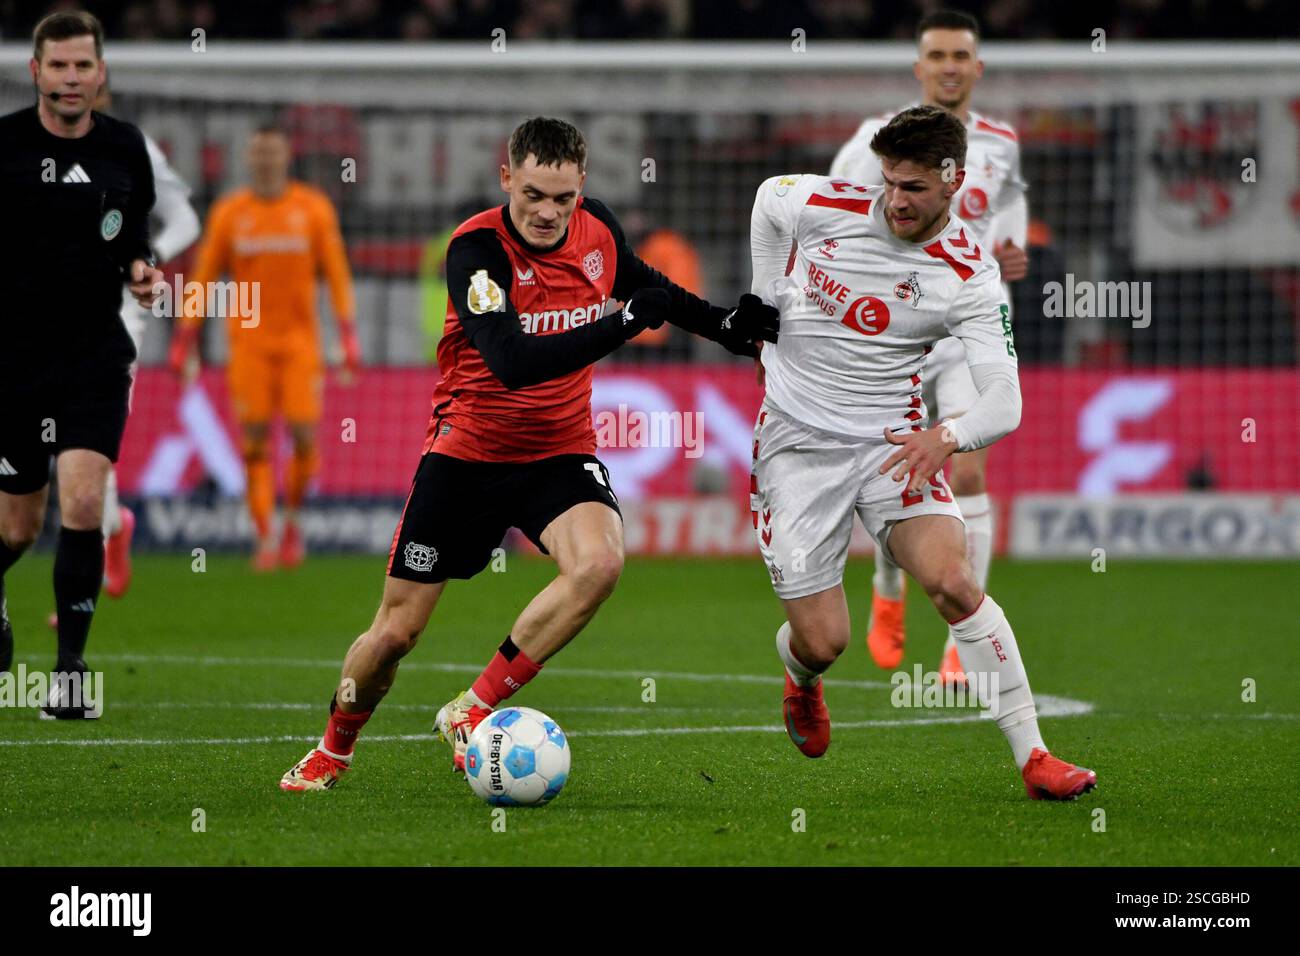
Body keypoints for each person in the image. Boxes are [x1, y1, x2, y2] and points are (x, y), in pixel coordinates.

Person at [279, 116, 778, 790]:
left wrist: (727, 328)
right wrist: (622, 325)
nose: (549, 213)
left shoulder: (595, 232)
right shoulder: (475, 252)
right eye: (535, 195)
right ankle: (334, 745)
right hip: (467, 454)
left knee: (599, 564)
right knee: (395, 634)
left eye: (564, 199)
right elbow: (511, 361)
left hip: (558, 450)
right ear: (506, 176)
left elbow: (647, 284)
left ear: (583, 189)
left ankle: (473, 706)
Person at [750, 106, 1095, 799]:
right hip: (796, 441)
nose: (895, 201)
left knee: (955, 581)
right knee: (824, 642)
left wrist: (947, 436)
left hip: (892, 442)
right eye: (890, 182)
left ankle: (1034, 758)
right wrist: (762, 303)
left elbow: (1005, 400)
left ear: (953, 182)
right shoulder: (822, 202)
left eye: (913, 187)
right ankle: (802, 680)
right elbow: (766, 200)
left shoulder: (969, 273)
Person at [830, 9, 1029, 683]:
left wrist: (1013, 250)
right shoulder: (871, 144)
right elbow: (835, 220)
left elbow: (1009, 221)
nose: (948, 66)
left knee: (967, 466)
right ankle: (888, 591)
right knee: (897, 471)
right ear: (920, 68)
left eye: (959, 55)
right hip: (896, 330)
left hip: (969, 321)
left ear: (977, 67)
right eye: (936, 55)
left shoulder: (1000, 144)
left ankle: (960, 637)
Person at [0, 11, 163, 716]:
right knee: (14, 530)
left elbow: (133, 233)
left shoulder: (125, 147)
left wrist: (141, 270)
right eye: (58, 66)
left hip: (95, 355)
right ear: (35, 71)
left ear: (101, 73)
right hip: (14, 363)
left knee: (87, 503)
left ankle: (69, 675)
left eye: (83, 66)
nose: (71, 78)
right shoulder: (3, 145)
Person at [168, 125, 359, 570]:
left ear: (286, 155)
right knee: (254, 441)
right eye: (257, 152)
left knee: (304, 436)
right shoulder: (230, 213)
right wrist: (185, 336)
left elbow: (336, 273)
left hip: (299, 343)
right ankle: (264, 536)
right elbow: (202, 278)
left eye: (273, 151)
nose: (265, 160)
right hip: (248, 342)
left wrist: (347, 333)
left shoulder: (312, 208)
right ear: (248, 158)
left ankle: (292, 521)